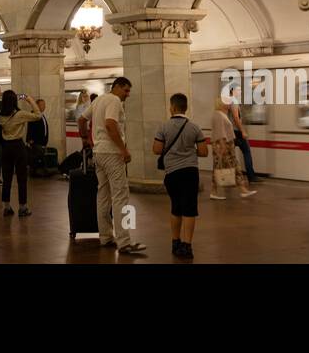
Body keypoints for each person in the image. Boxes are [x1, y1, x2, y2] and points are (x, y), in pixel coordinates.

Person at [88, 77, 145, 253]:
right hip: (112, 153)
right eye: (126, 90)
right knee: (121, 195)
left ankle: (105, 237)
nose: (127, 95)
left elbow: (82, 120)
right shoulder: (113, 100)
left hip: (99, 153)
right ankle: (125, 242)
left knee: (103, 195)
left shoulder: (98, 100)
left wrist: (88, 141)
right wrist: (123, 150)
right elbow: (110, 124)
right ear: (117, 87)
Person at [152, 93, 208, 259]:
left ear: (173, 107)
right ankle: (187, 245)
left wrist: (173, 151)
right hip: (190, 172)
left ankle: (175, 242)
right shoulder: (195, 127)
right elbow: (204, 152)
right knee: (190, 209)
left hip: (172, 173)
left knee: (176, 208)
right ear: (185, 108)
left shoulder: (163, 127)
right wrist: (188, 151)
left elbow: (156, 149)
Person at [0, 90, 41, 217]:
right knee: (22, 178)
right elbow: (38, 115)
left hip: (5, 147)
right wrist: (29, 99)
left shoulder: (0, 114)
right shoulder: (19, 114)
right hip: (18, 147)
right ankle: (23, 207)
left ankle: (6, 207)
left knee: (6, 178)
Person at [211, 97, 256, 200]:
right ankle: (241, 190)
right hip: (223, 146)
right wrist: (223, 147)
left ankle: (242, 189)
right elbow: (220, 132)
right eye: (226, 102)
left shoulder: (222, 115)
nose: (229, 104)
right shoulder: (218, 115)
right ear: (220, 104)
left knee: (226, 167)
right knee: (223, 167)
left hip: (227, 145)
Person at [228, 86, 260, 182]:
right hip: (236, 131)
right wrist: (243, 131)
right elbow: (236, 118)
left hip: (232, 131)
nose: (240, 91)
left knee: (230, 154)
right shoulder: (234, 101)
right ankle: (251, 176)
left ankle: (231, 176)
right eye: (238, 90)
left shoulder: (229, 101)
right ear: (232, 91)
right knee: (246, 152)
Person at [28, 97, 50, 174]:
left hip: (42, 141)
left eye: (44, 105)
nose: (44, 106)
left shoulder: (42, 115)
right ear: (36, 106)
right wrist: (30, 139)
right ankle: (38, 171)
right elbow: (30, 127)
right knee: (37, 156)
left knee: (39, 156)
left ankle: (39, 170)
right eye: (42, 105)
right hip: (36, 141)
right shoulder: (33, 114)